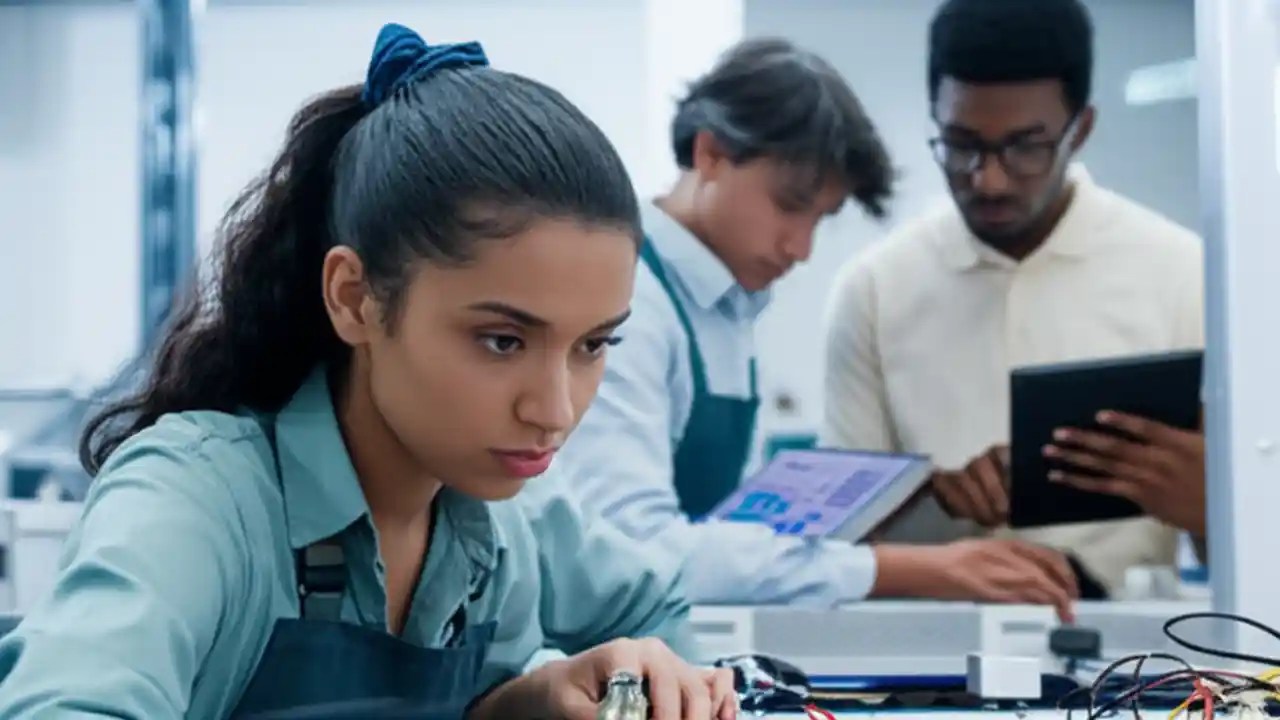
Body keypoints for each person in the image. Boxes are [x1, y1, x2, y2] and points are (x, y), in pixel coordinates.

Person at [0, 25, 736, 720]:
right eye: (503, 342)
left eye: (594, 346)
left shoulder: (501, 518)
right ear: (355, 300)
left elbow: (648, 607)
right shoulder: (196, 501)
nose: (555, 410)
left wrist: (530, 699)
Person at [536, 36, 1080, 620]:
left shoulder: (728, 307)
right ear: (711, 153)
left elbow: (724, 532)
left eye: (820, 218)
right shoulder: (632, 299)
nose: (801, 247)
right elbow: (635, 550)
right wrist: (913, 571)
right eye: (788, 205)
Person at [822, 0, 1205, 596]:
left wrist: (1209, 503)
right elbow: (835, 546)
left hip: (1131, 652)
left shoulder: (1186, 273)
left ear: (1081, 129)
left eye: (1025, 147)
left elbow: (1248, 549)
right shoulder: (873, 287)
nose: (989, 178)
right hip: (923, 652)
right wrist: (930, 498)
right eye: (961, 144)